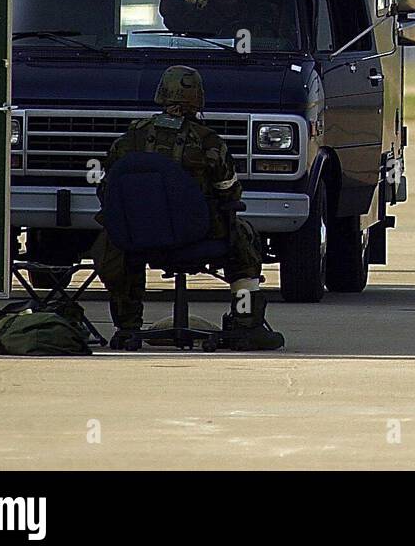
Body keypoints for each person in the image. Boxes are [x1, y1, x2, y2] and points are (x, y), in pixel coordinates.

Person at [91, 65, 285, 351]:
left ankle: (127, 328)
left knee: (112, 244)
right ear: (198, 99)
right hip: (198, 239)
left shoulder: (130, 139)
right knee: (243, 237)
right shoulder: (208, 142)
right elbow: (229, 192)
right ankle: (246, 325)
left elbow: (106, 190)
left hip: (137, 239)